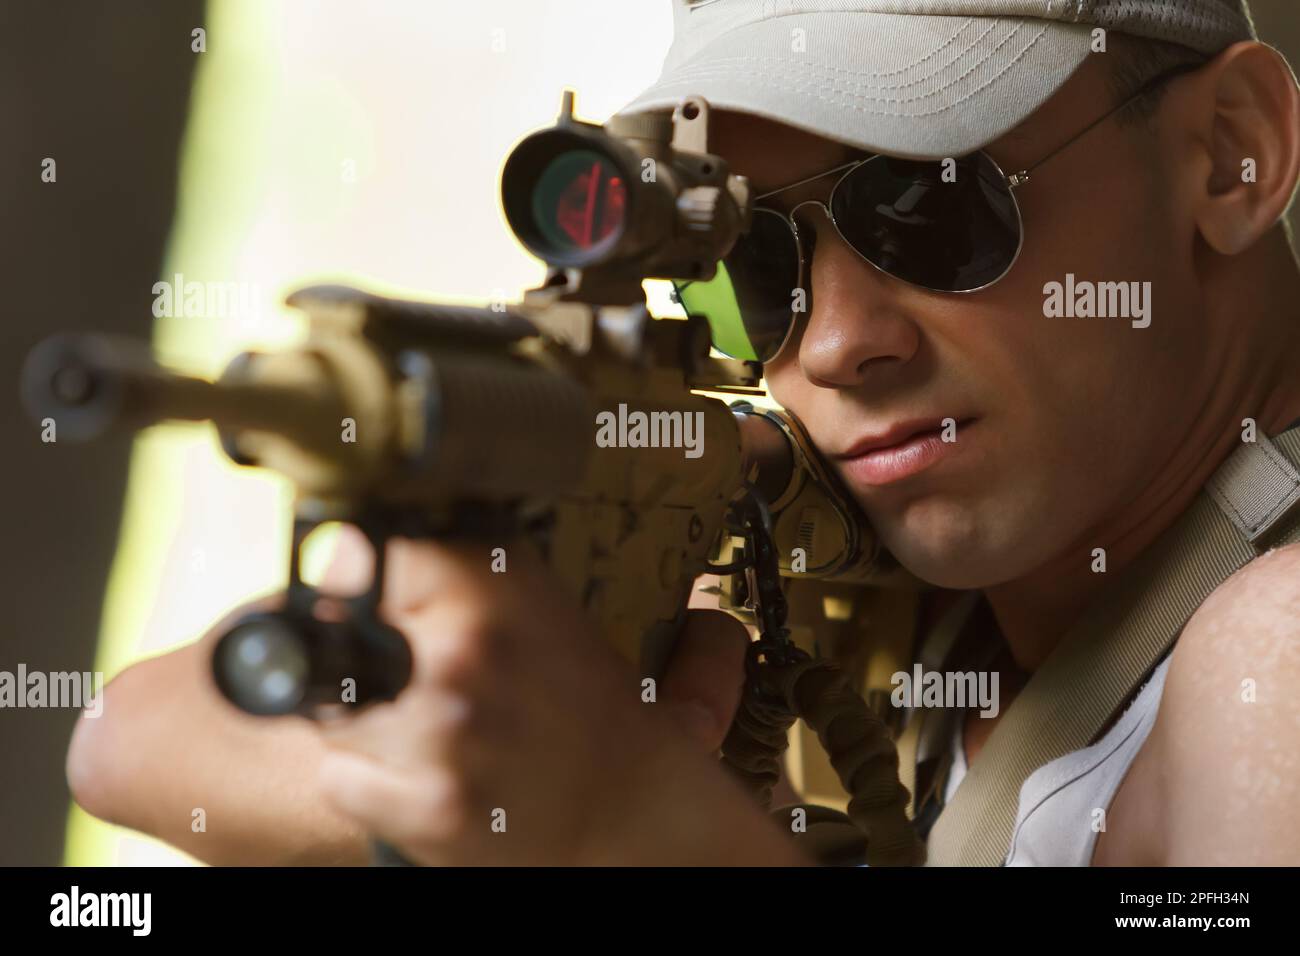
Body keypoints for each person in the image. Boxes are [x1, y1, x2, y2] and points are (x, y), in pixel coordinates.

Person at [68, 0, 1300, 866]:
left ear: (1232, 155)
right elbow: (131, 735)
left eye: (925, 201)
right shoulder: (887, 580)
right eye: (758, 266)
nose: (830, 344)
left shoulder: (1270, 657)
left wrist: (628, 817)